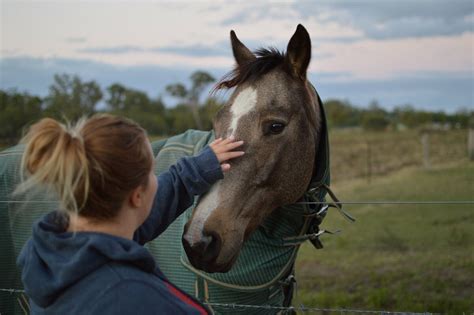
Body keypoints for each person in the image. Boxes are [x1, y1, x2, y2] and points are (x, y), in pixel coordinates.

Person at [15, 114, 245, 314]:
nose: (157, 179)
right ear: (137, 196)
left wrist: (197, 168)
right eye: (152, 172)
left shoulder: (50, 255)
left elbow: (147, 209)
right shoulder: (141, 300)